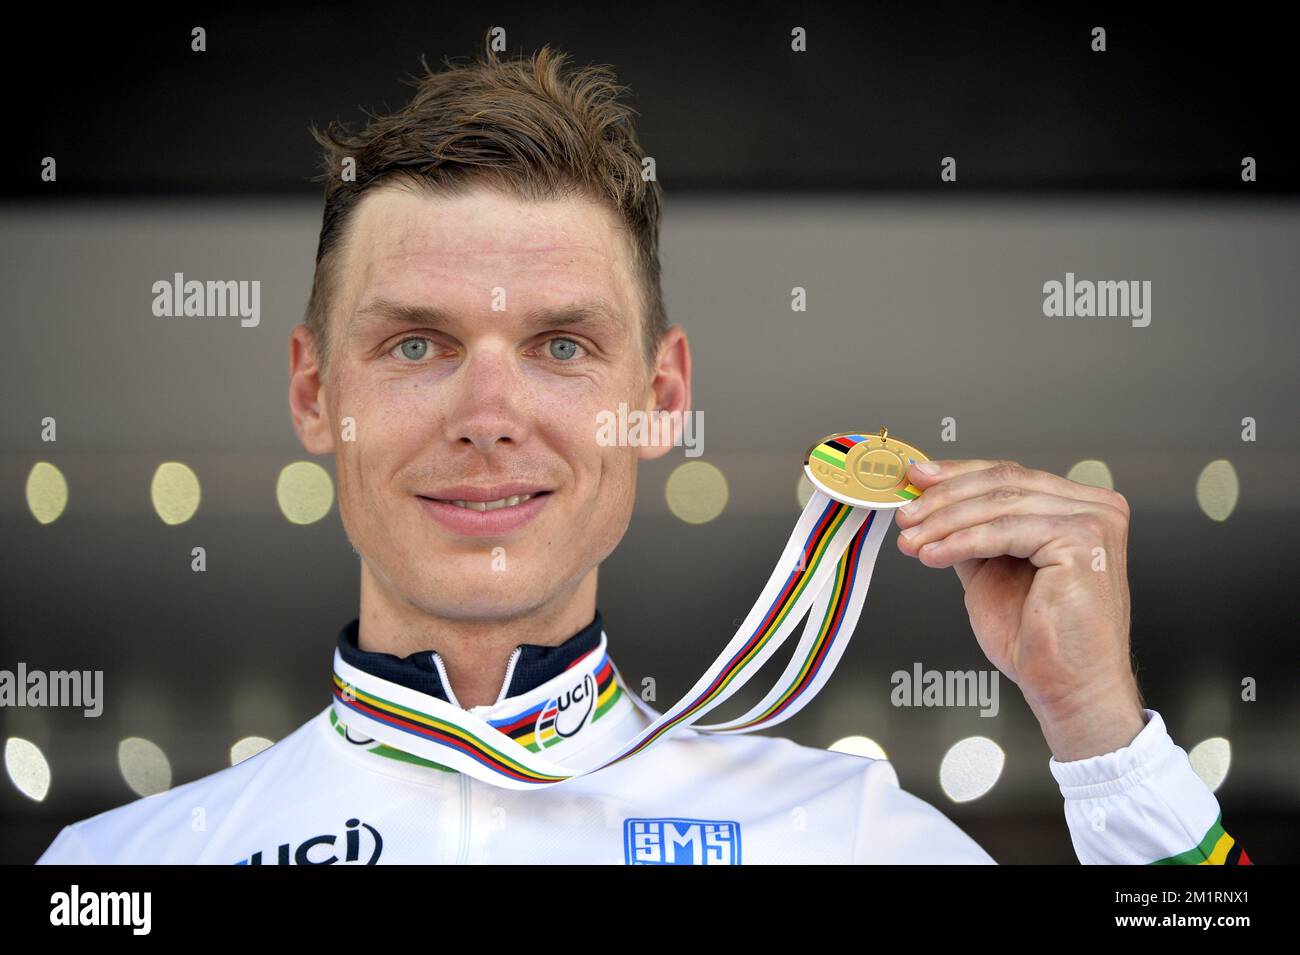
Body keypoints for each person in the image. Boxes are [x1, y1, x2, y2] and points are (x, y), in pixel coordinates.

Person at [36, 41, 1248, 865]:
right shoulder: (119, 869)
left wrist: (1102, 737)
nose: (487, 410)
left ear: (660, 396)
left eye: (560, 345)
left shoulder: (858, 842)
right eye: (416, 344)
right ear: (313, 391)